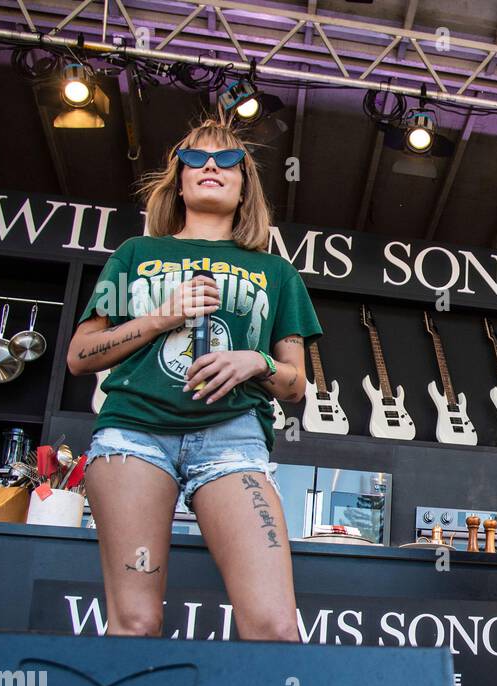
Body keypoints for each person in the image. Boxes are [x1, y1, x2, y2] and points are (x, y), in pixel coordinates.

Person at [67, 118, 320, 641]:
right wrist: (161, 316)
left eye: (228, 161)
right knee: (135, 621)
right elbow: (80, 355)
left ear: (245, 185)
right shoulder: (135, 256)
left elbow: (296, 386)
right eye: (196, 158)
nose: (211, 166)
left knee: (274, 626)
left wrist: (258, 363)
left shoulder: (277, 273)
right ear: (178, 179)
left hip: (234, 440)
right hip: (134, 435)